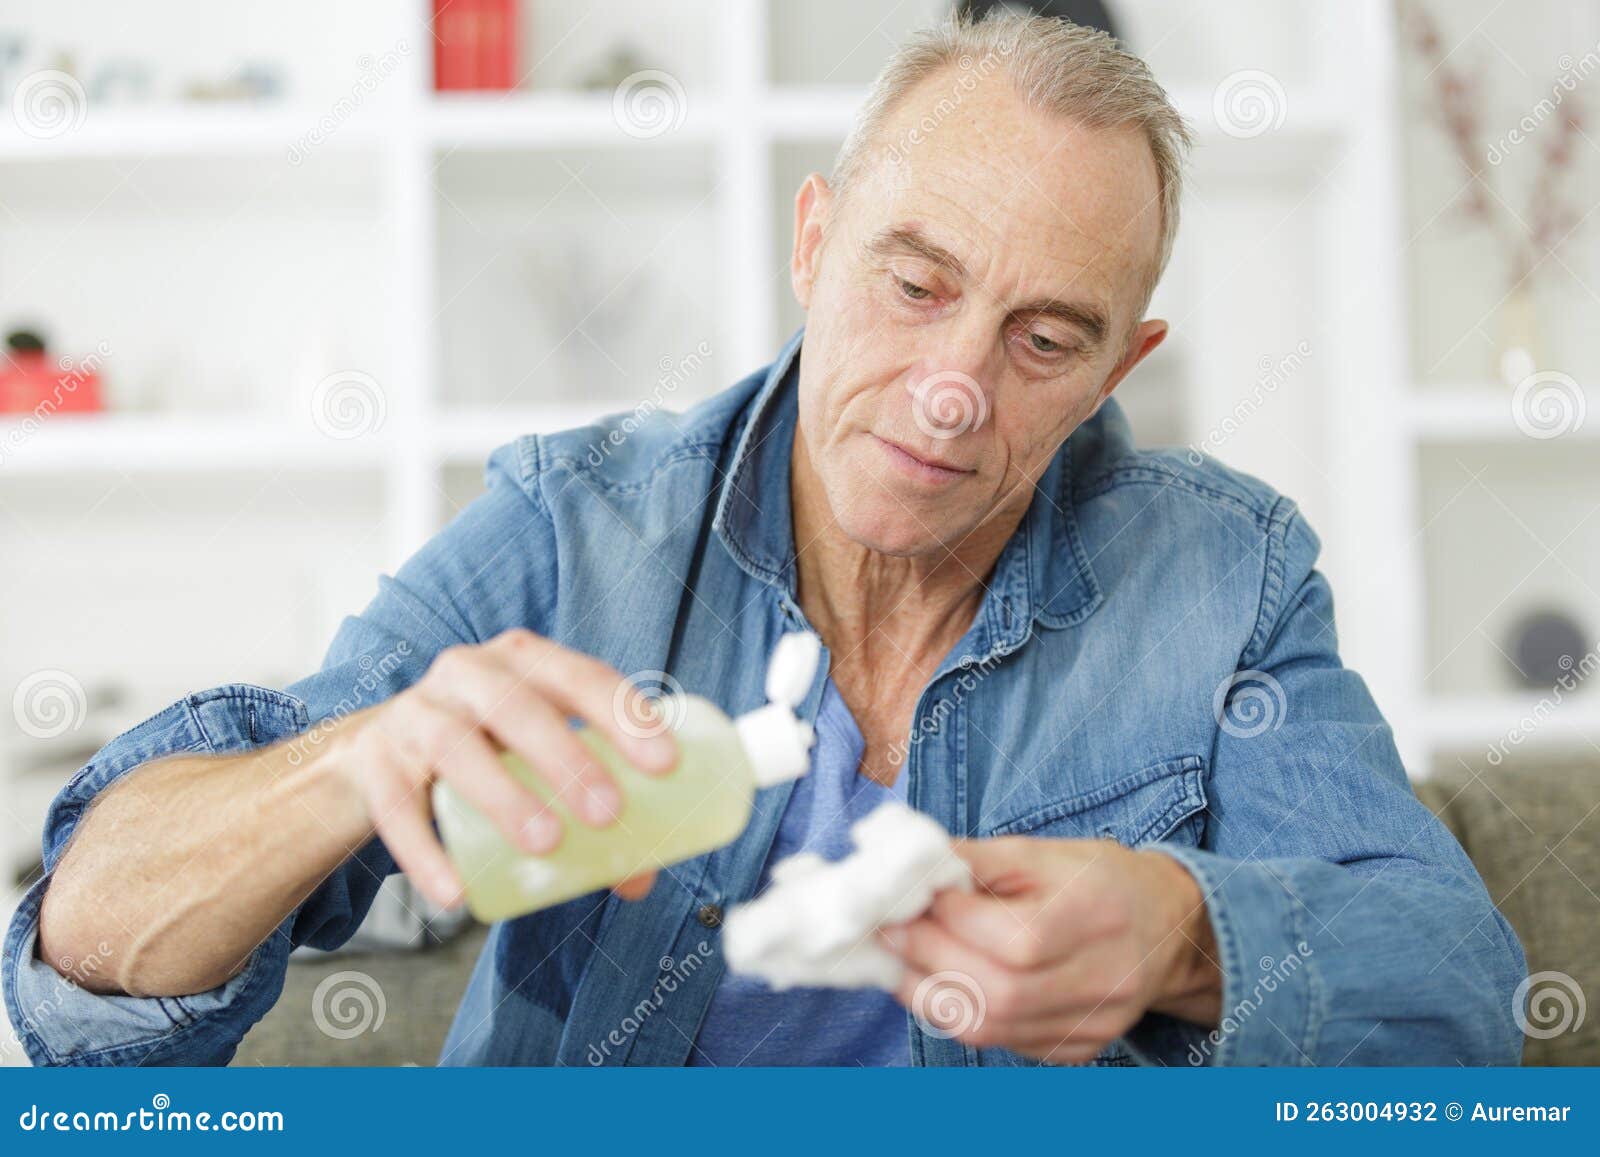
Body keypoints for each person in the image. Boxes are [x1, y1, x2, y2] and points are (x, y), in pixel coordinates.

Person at [5, 11, 1523, 1067]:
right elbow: (81, 986)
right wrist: (355, 764)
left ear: (1121, 366)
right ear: (813, 241)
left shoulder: (1224, 579)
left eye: (1044, 337)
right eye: (913, 283)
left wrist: (1185, 934)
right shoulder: (575, 529)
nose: (950, 390)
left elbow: (1462, 994)